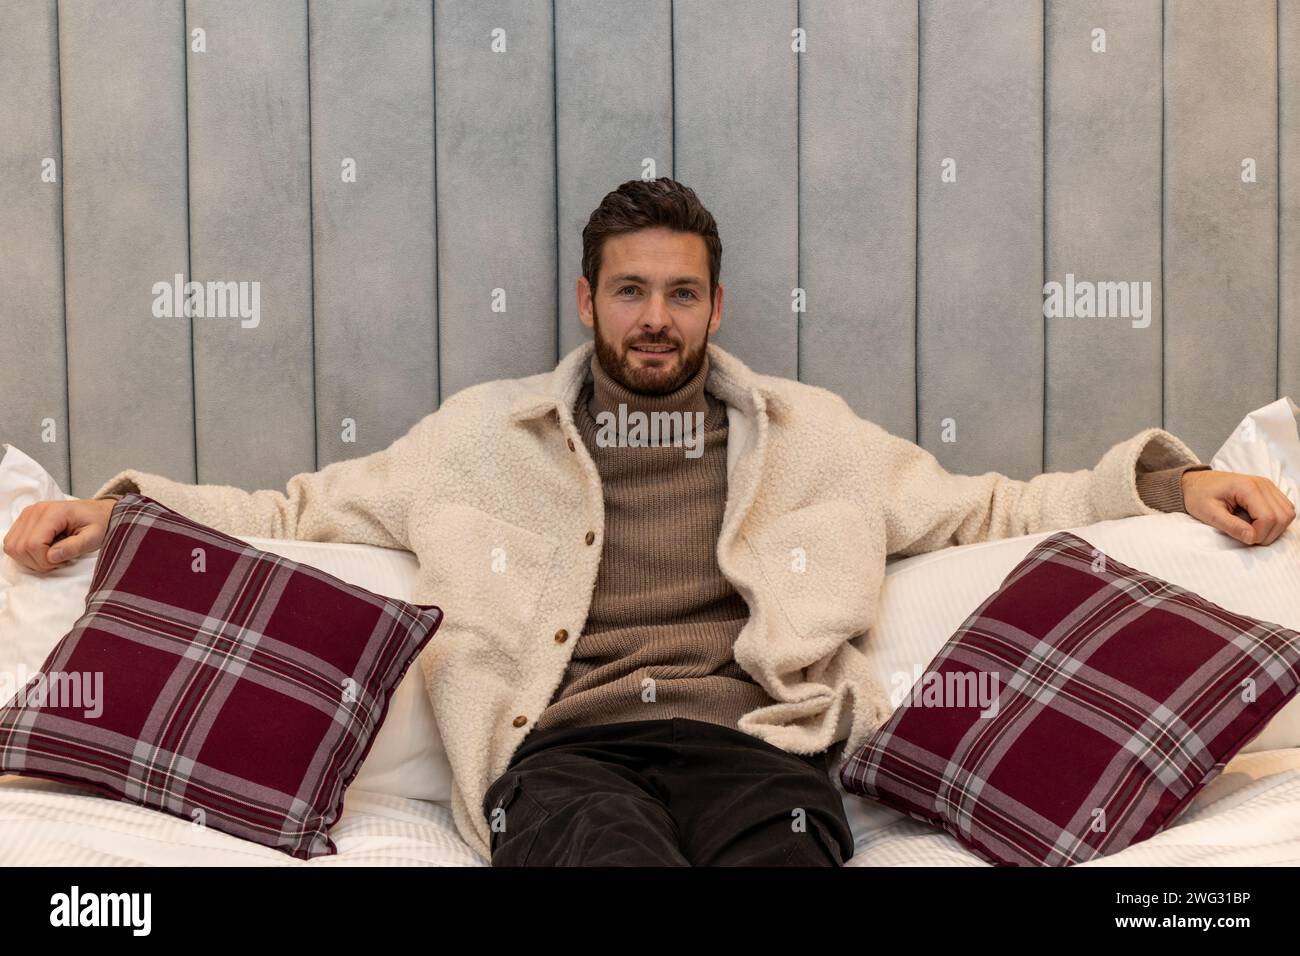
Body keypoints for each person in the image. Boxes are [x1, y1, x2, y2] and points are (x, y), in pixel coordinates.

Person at [5, 178, 1295, 867]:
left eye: (681, 293)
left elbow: (1004, 507)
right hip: (561, 760)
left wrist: (1170, 482)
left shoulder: (817, 441)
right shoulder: (474, 439)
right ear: (587, 299)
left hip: (760, 753)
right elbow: (288, 512)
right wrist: (117, 510)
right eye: (632, 291)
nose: (656, 319)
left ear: (718, 306)